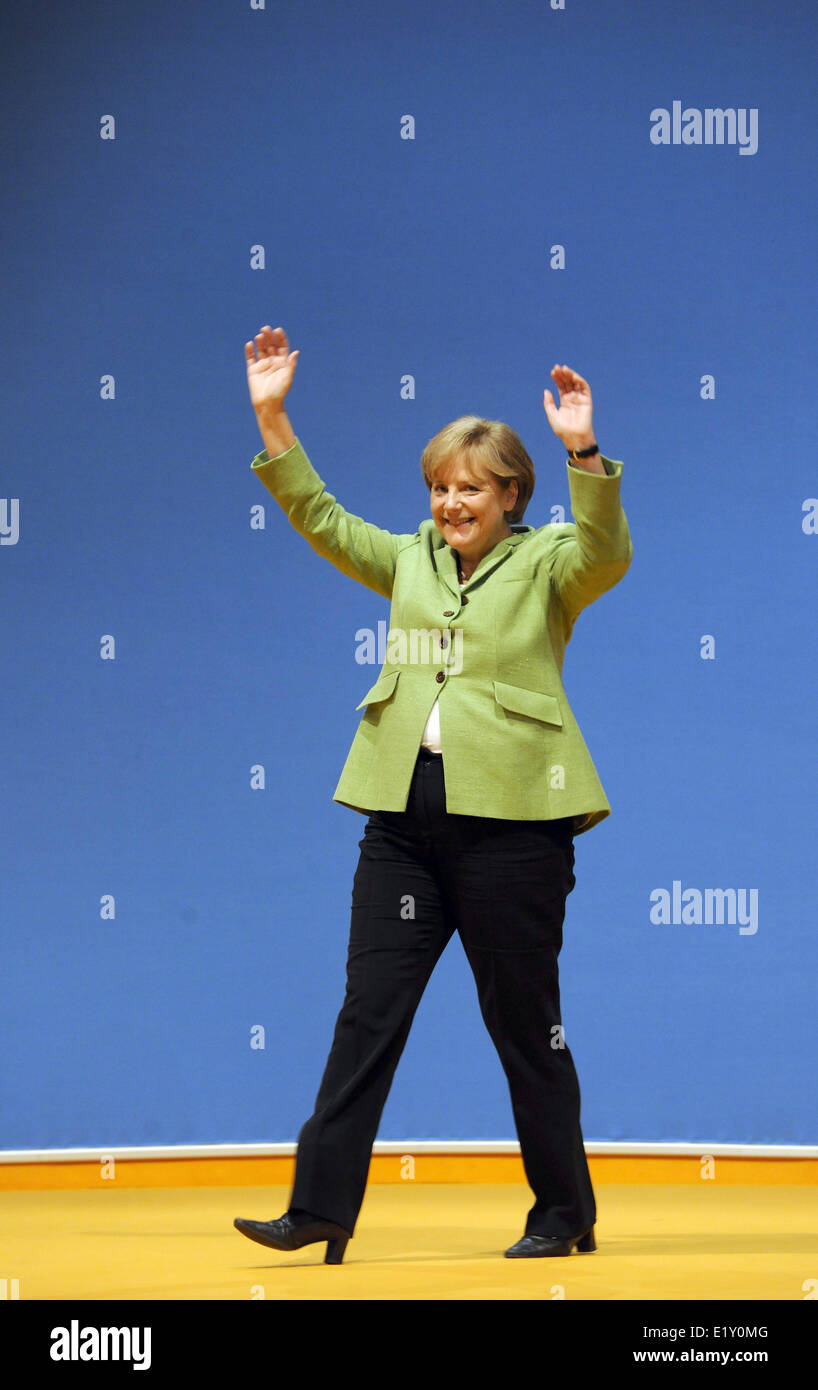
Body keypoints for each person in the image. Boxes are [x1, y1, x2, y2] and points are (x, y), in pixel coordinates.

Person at [234, 325, 633, 1265]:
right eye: (439, 487)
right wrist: (273, 414)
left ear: (510, 497)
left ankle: (563, 1211)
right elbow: (323, 517)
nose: (451, 502)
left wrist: (585, 448)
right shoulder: (409, 559)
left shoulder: (550, 565)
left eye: (471, 487)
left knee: (526, 1026)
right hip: (402, 825)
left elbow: (606, 552)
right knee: (366, 1012)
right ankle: (322, 1207)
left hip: (515, 833)